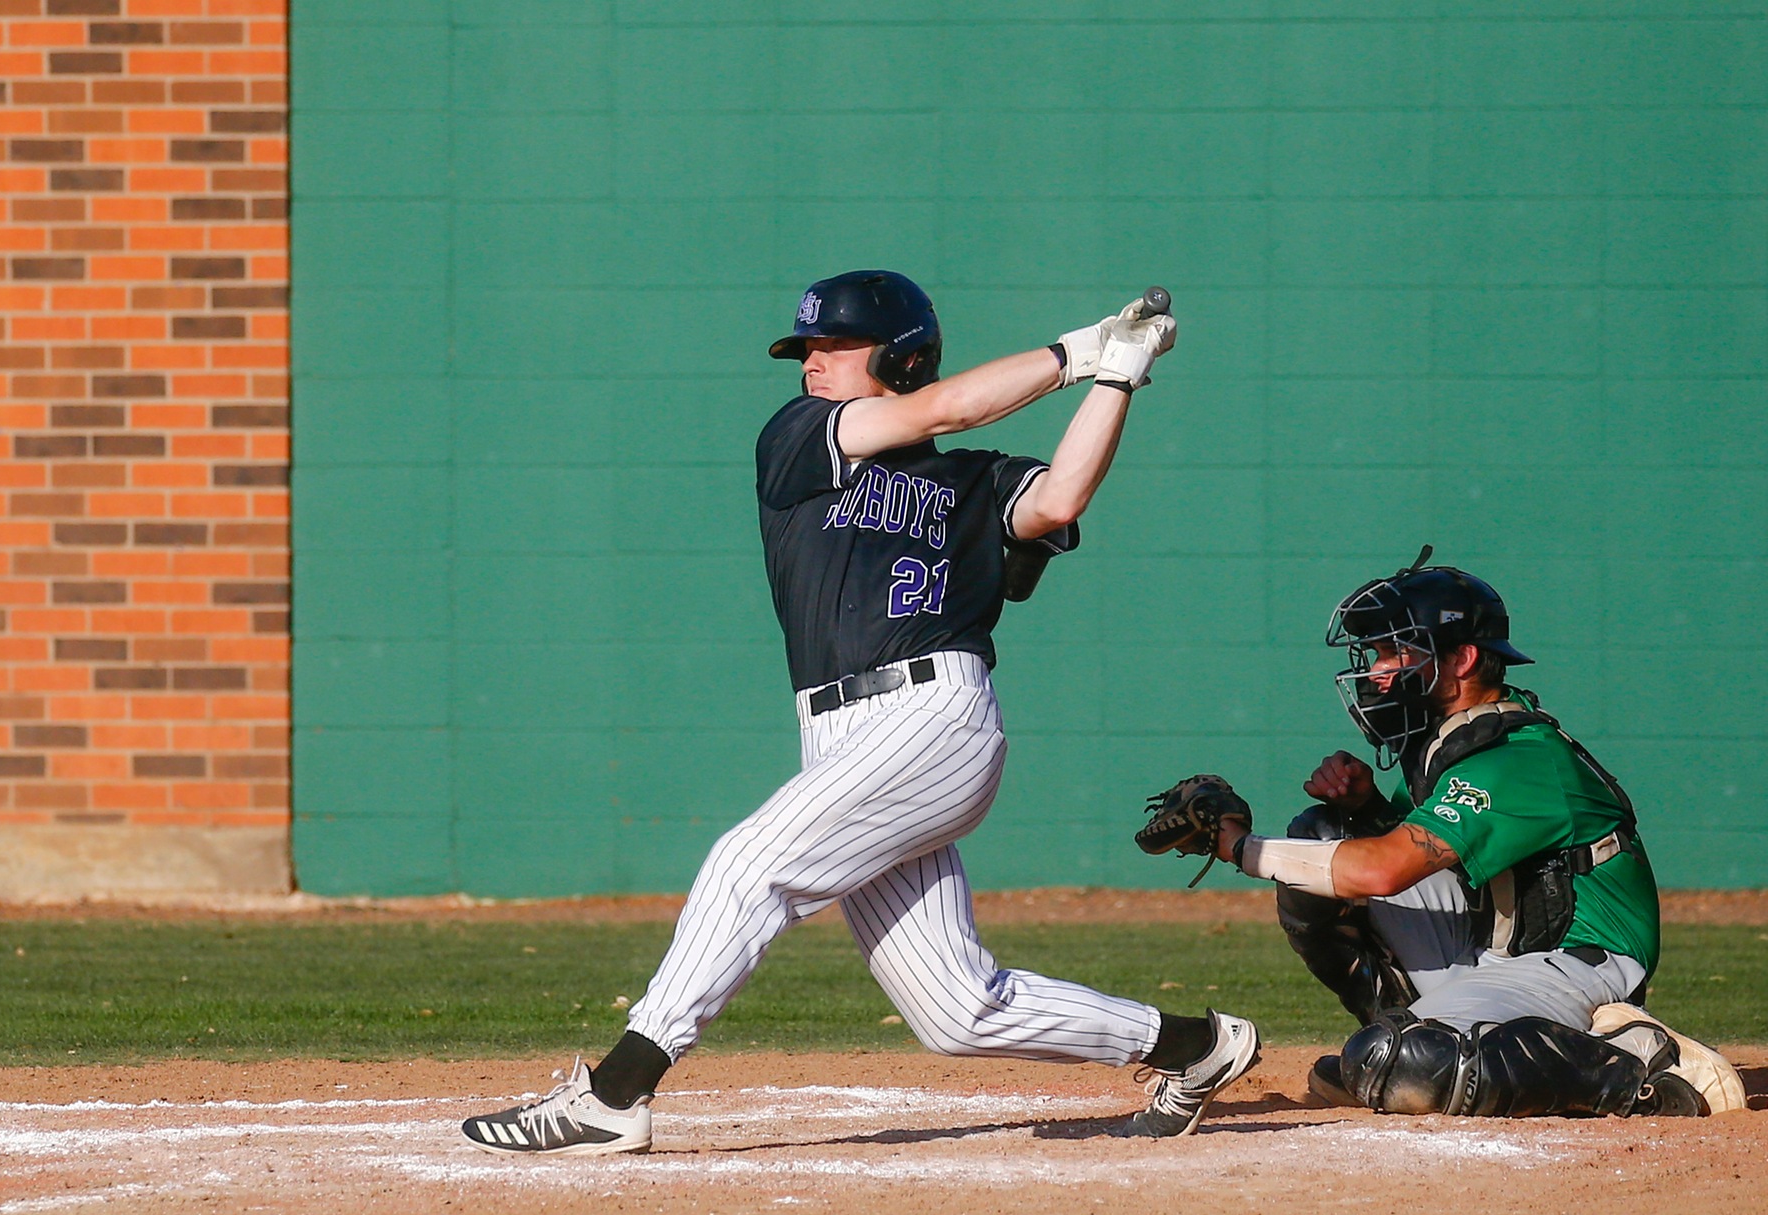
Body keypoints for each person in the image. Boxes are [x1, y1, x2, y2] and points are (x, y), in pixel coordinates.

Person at [459, 269, 1264, 1155]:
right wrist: (1074, 352)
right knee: (958, 1008)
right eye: (808, 347)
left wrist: (1116, 373)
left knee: (745, 865)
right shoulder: (800, 436)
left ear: (900, 355)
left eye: (836, 347)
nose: (813, 361)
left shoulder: (974, 481)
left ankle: (612, 1095)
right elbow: (939, 410)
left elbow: (1059, 497)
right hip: (840, 736)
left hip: (934, 718)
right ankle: (1195, 1046)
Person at [1174, 552, 1742, 1117]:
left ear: (1463, 659)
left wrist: (1232, 846)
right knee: (1325, 833)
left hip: (1577, 960)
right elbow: (1393, 854)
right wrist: (1366, 807)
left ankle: (1635, 1068)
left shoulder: (1515, 759)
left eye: (1394, 651)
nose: (1376, 671)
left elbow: (1383, 870)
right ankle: (1406, 1041)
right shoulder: (1450, 745)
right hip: (1497, 951)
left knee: (1396, 1064)